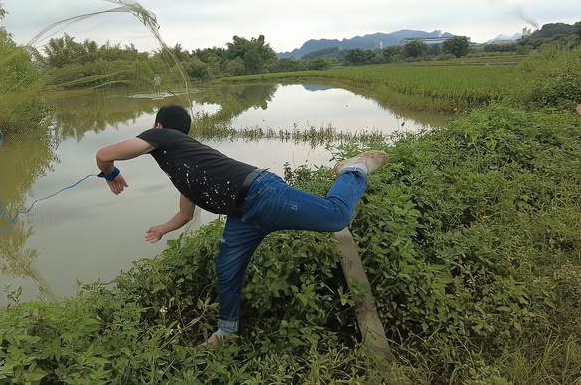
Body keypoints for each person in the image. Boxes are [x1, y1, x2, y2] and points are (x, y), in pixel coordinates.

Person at [95, 104, 389, 346]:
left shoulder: (164, 138)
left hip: (262, 194)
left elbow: (104, 155)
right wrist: (161, 229)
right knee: (226, 271)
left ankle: (354, 169)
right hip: (241, 216)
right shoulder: (183, 162)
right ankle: (226, 331)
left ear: (159, 127)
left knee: (336, 216)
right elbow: (185, 214)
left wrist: (110, 174)